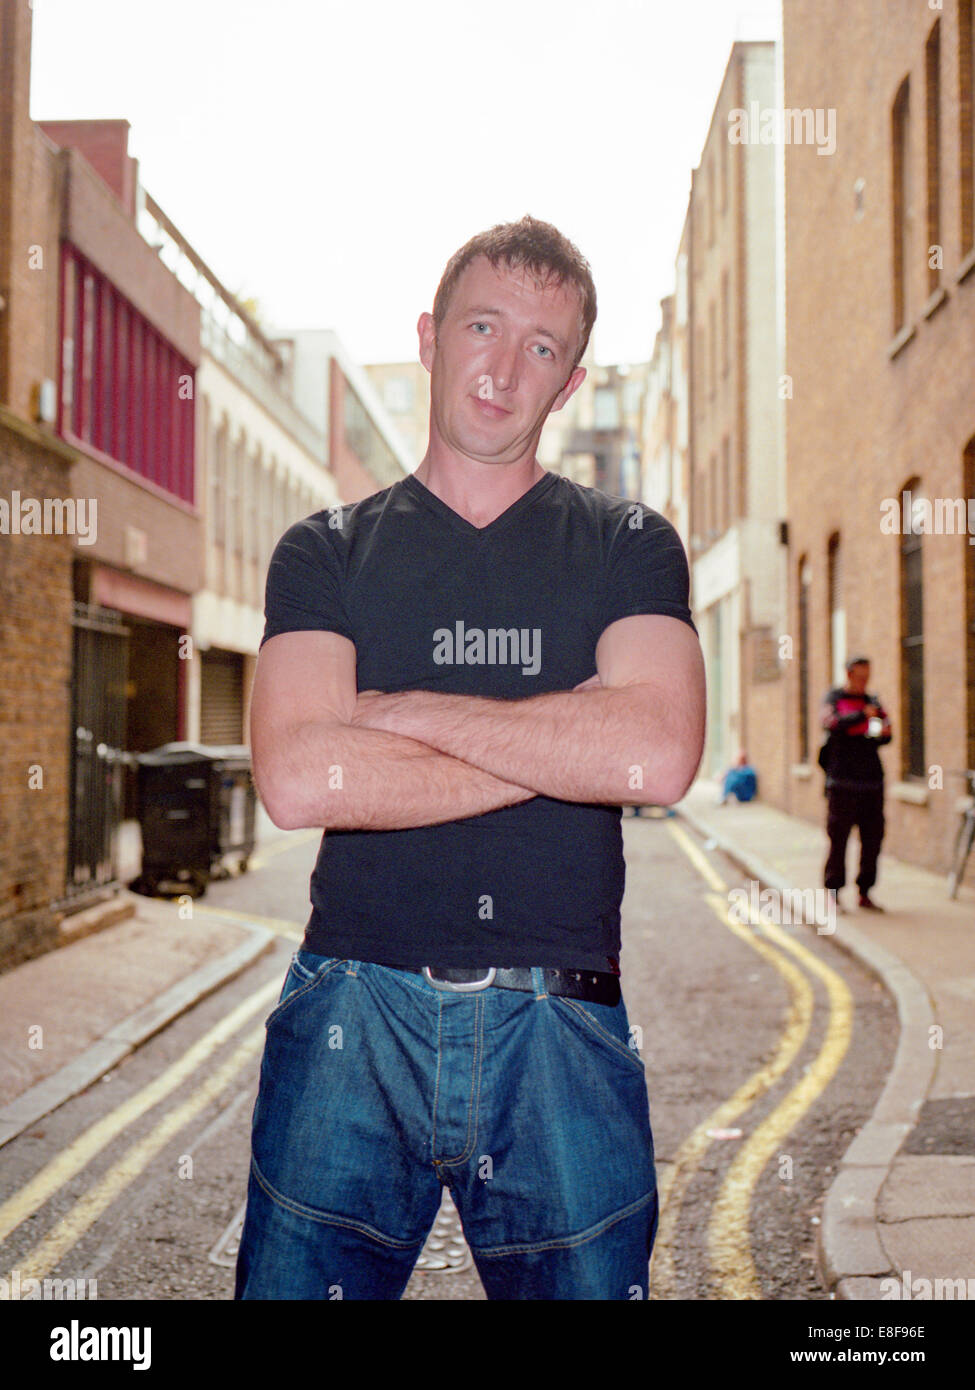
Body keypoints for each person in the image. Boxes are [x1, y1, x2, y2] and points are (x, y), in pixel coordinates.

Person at [234, 216, 706, 1301]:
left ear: (572, 380)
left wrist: (393, 711)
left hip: (563, 1026)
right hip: (353, 1008)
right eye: (481, 327)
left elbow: (659, 759)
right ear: (429, 339)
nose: (502, 368)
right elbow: (304, 779)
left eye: (541, 346)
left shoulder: (628, 540)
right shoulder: (326, 548)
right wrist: (569, 735)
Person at [819, 656, 892, 912]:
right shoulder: (834, 699)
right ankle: (833, 893)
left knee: (872, 840)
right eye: (860, 677)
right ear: (849, 675)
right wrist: (861, 717)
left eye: (867, 677)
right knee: (838, 840)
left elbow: (883, 734)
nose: (864, 682)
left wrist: (874, 728)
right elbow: (832, 723)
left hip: (871, 783)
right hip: (842, 783)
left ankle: (865, 892)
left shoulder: (873, 702)